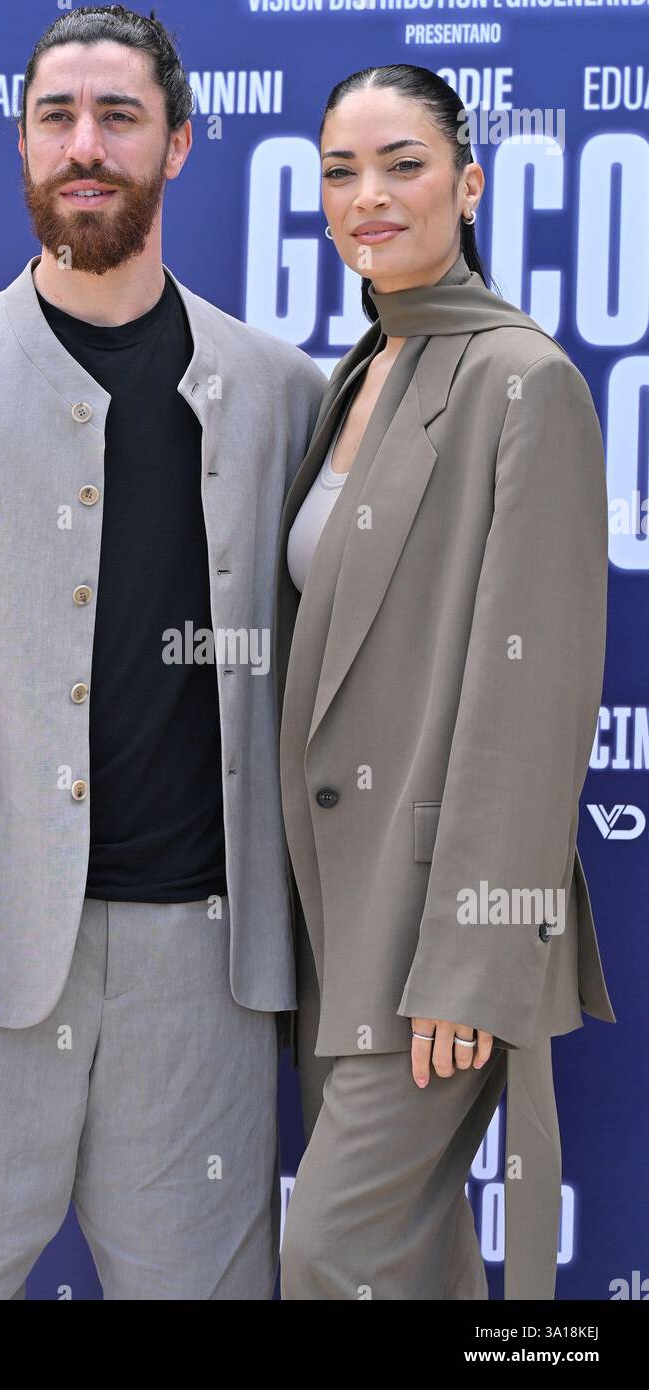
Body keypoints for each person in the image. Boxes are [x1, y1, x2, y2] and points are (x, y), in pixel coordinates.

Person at [0, 6, 326, 1300]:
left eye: (117, 117)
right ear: (23, 142)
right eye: (57, 117)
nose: (84, 146)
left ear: (177, 144)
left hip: (205, 979)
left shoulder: (280, 391)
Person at [273, 63, 616, 1300]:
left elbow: (532, 702)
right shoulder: (359, 375)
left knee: (335, 1256)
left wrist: (469, 957)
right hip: (326, 915)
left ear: (467, 184)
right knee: (403, 1264)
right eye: (340, 170)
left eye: (401, 164)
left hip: (433, 927)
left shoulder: (524, 383)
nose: (368, 195)